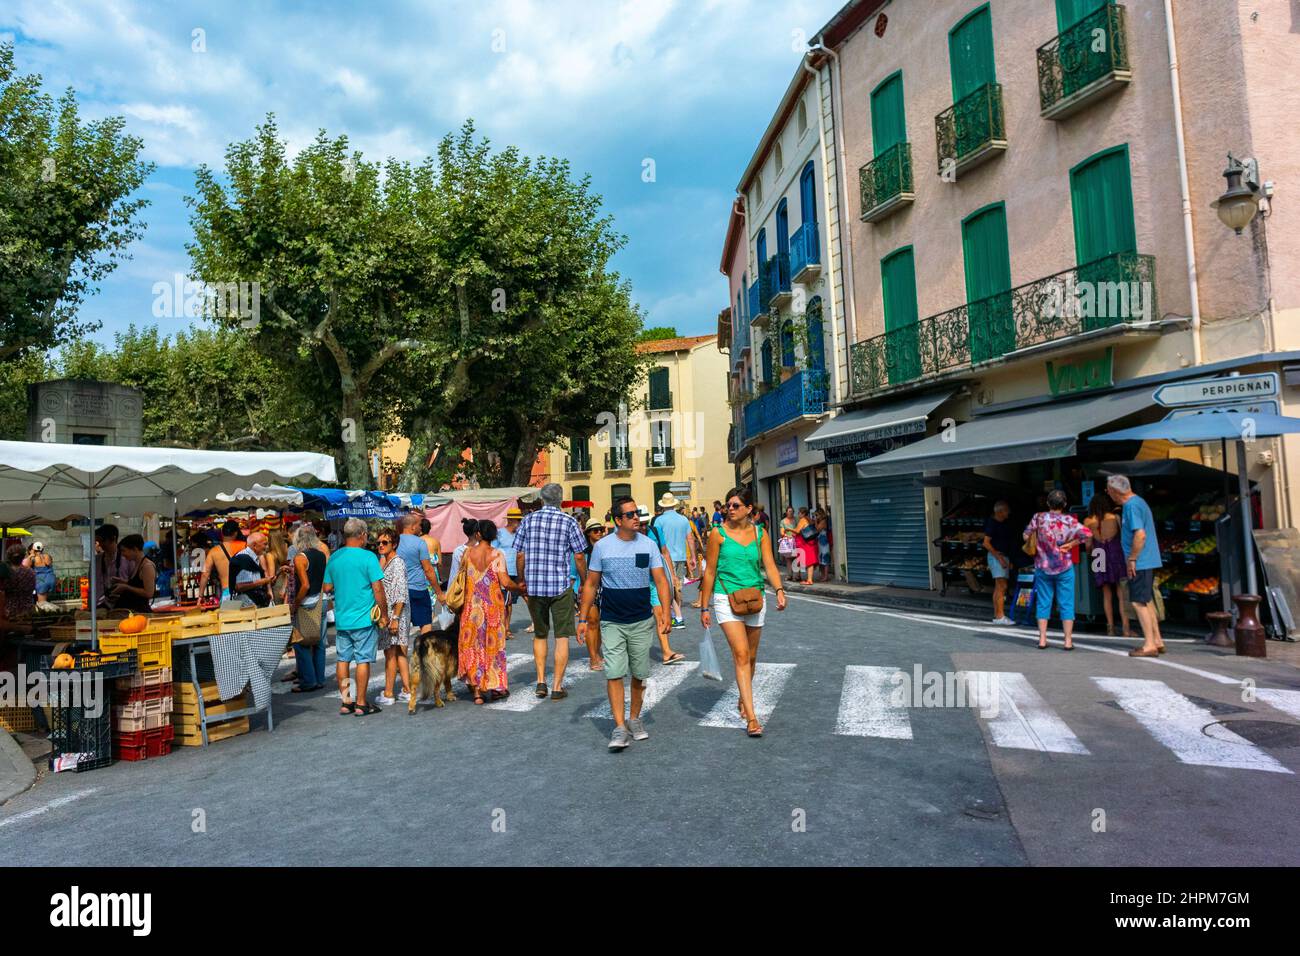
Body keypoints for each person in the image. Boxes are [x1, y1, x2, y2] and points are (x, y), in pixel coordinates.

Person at [577, 496, 672, 751]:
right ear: (618, 520)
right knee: (614, 672)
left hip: (641, 619)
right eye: (630, 515)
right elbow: (590, 583)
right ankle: (619, 726)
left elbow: (661, 581)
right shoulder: (602, 547)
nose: (636, 518)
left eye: (637, 514)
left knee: (640, 674)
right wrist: (583, 618)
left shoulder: (649, 545)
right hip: (612, 621)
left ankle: (634, 719)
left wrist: (666, 613)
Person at [699, 486, 787, 738]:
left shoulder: (761, 533)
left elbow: (769, 564)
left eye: (736, 505)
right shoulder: (717, 534)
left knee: (751, 657)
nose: (730, 509)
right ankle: (751, 717)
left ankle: (743, 697)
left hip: (755, 597)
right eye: (728, 505)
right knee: (740, 654)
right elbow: (710, 572)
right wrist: (704, 606)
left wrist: (779, 589)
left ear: (749, 509)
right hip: (726, 598)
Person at [513, 482, 587, 700]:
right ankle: (556, 686)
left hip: (535, 585)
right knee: (562, 636)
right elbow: (580, 555)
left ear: (542, 499)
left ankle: (540, 682)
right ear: (560, 500)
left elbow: (519, 555)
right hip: (560, 586)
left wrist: (521, 579)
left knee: (540, 634)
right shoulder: (569, 521)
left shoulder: (528, 520)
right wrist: (583, 580)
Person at [323, 518, 389, 716]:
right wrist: (383, 613)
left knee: (343, 660)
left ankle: (346, 702)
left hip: (343, 619)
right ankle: (361, 703)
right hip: (364, 619)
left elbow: (327, 587)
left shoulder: (335, 557)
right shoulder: (368, 557)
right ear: (362, 535)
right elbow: (378, 588)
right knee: (362, 661)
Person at [459, 519, 522, 704]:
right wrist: (519, 588)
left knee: (473, 647)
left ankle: (477, 692)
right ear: (493, 535)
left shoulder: (467, 553)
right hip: (492, 608)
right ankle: (494, 688)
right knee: (492, 648)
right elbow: (505, 582)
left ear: (477, 534)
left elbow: (462, 578)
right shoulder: (497, 555)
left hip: (471, 608)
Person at [1023, 490, 1092, 650]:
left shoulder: (1038, 517)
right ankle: (1067, 641)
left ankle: (1042, 639)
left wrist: (1037, 539)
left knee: (1043, 602)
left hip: (1042, 566)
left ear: (1048, 503)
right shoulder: (1069, 520)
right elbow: (1088, 534)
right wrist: (1072, 544)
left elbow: (1026, 536)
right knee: (1067, 603)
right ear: (1065, 504)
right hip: (1064, 566)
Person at [1107, 474, 1166, 657]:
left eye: (1109, 490)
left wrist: (1132, 558)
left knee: (1138, 602)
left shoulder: (1131, 506)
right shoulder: (1138, 502)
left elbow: (1140, 534)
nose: (1108, 494)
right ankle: (1157, 639)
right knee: (1145, 599)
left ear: (1115, 491)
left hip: (1140, 561)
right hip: (1146, 559)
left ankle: (1149, 644)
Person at [1085, 492, 1133, 638]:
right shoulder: (1115, 517)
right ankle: (1125, 629)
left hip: (1098, 554)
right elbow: (1124, 538)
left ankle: (1110, 628)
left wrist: (1090, 554)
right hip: (1115, 553)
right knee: (1121, 593)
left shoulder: (1087, 521)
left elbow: (1088, 545)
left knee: (1106, 595)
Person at [289, 523, 329, 692]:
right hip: (322, 600)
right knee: (319, 642)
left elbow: (304, 585)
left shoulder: (300, 557)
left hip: (307, 604)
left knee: (301, 643)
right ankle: (319, 679)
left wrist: (295, 605)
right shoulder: (321, 554)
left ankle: (308, 681)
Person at [374, 531, 412, 706]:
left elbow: (401, 593)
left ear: (394, 544)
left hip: (394, 615)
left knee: (390, 653)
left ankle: (388, 693)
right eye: (379, 542)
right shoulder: (388, 561)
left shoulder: (397, 563)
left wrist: (395, 618)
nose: (381, 545)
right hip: (394, 614)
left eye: (385, 542)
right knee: (399, 652)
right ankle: (407, 690)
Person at [395, 513, 444, 646]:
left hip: (400, 591)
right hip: (418, 589)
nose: (420, 528)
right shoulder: (419, 543)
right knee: (425, 624)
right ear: (411, 527)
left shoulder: (394, 542)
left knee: (402, 630)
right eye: (418, 525)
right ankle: (424, 654)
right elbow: (428, 570)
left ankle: (402, 662)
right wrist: (439, 592)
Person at [649, 492, 694, 630]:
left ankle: (675, 615)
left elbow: (656, 541)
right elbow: (690, 538)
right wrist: (692, 557)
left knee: (667, 586)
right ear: (674, 505)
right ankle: (677, 614)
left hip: (665, 558)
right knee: (677, 585)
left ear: (662, 506)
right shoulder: (683, 519)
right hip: (680, 556)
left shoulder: (659, 520)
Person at [982, 501, 1018, 626]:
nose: (1008, 513)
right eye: (1007, 510)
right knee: (1001, 586)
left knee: (999, 586)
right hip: (997, 557)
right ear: (1000, 511)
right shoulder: (992, 523)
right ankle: (1000, 616)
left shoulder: (1002, 523)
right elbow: (986, 543)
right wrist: (1000, 558)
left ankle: (997, 615)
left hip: (1002, 557)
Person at [577, 518, 607, 670]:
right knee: (593, 622)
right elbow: (575, 572)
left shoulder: (605, 548)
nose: (600, 533)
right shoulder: (584, 552)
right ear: (588, 533)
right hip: (588, 590)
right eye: (596, 530)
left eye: (601, 529)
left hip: (604, 589)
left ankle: (596, 652)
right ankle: (593, 658)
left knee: (600, 624)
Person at [229, 532, 286, 608]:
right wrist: (263, 581)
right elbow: (239, 586)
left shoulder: (255, 557)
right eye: (265, 544)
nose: (267, 547)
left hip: (253, 601)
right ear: (255, 545)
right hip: (246, 603)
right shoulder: (243, 558)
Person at [198, 520, 247, 602]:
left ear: (222, 533)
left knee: (228, 615)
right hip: (246, 591)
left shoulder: (214, 551)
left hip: (228, 593)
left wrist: (200, 596)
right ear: (236, 533)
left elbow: (205, 574)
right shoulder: (245, 546)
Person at [108, 535, 157, 613]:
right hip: (129, 610)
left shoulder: (147, 566)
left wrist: (126, 587)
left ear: (134, 549)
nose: (123, 554)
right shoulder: (136, 563)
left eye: (124, 551)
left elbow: (148, 593)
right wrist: (123, 582)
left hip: (139, 612)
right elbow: (138, 584)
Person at [93, 524, 136, 609]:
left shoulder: (127, 558)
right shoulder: (96, 560)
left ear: (113, 538)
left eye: (102, 541)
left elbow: (135, 584)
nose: (100, 544)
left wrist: (124, 585)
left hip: (125, 607)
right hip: (101, 608)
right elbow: (93, 588)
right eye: (97, 541)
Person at [496, 507, 523, 633]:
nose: (519, 523)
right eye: (518, 520)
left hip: (515, 570)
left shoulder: (519, 535)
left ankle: (507, 627)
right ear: (512, 520)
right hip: (502, 570)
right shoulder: (499, 533)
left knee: (510, 601)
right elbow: (493, 550)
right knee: (502, 601)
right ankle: (502, 627)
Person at [1, 544, 36, 624]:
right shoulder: (31, 572)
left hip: (10, 609)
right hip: (27, 608)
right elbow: (33, 587)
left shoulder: (6, 572)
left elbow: (3, 588)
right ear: (23, 556)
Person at [24, 542, 56, 611]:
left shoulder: (33, 558)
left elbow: (25, 567)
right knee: (46, 601)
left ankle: (46, 617)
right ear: (42, 549)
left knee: (42, 604)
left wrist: (31, 555)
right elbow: (49, 564)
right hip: (51, 579)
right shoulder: (48, 556)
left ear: (33, 549)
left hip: (41, 581)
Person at [793, 506, 819, 586]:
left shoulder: (802, 520)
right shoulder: (809, 519)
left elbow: (797, 531)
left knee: (808, 561)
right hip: (811, 542)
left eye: (799, 513)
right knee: (810, 560)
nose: (798, 514)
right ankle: (809, 579)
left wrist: (788, 530)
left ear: (803, 513)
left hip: (805, 543)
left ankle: (809, 580)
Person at [779, 507, 799, 579]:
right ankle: (789, 575)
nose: (791, 513)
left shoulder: (796, 519)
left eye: (792, 511)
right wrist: (786, 535)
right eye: (789, 511)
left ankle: (796, 576)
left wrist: (794, 534)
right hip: (788, 541)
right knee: (788, 559)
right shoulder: (783, 521)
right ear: (786, 512)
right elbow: (782, 531)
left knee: (796, 558)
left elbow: (798, 529)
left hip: (796, 540)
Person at [816, 508, 833, 582]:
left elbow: (818, 529)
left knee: (825, 560)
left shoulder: (823, 521)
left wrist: (816, 522)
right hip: (820, 542)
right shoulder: (821, 521)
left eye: (817, 515)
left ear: (820, 514)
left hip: (824, 543)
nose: (816, 516)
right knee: (821, 560)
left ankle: (826, 576)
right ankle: (823, 575)